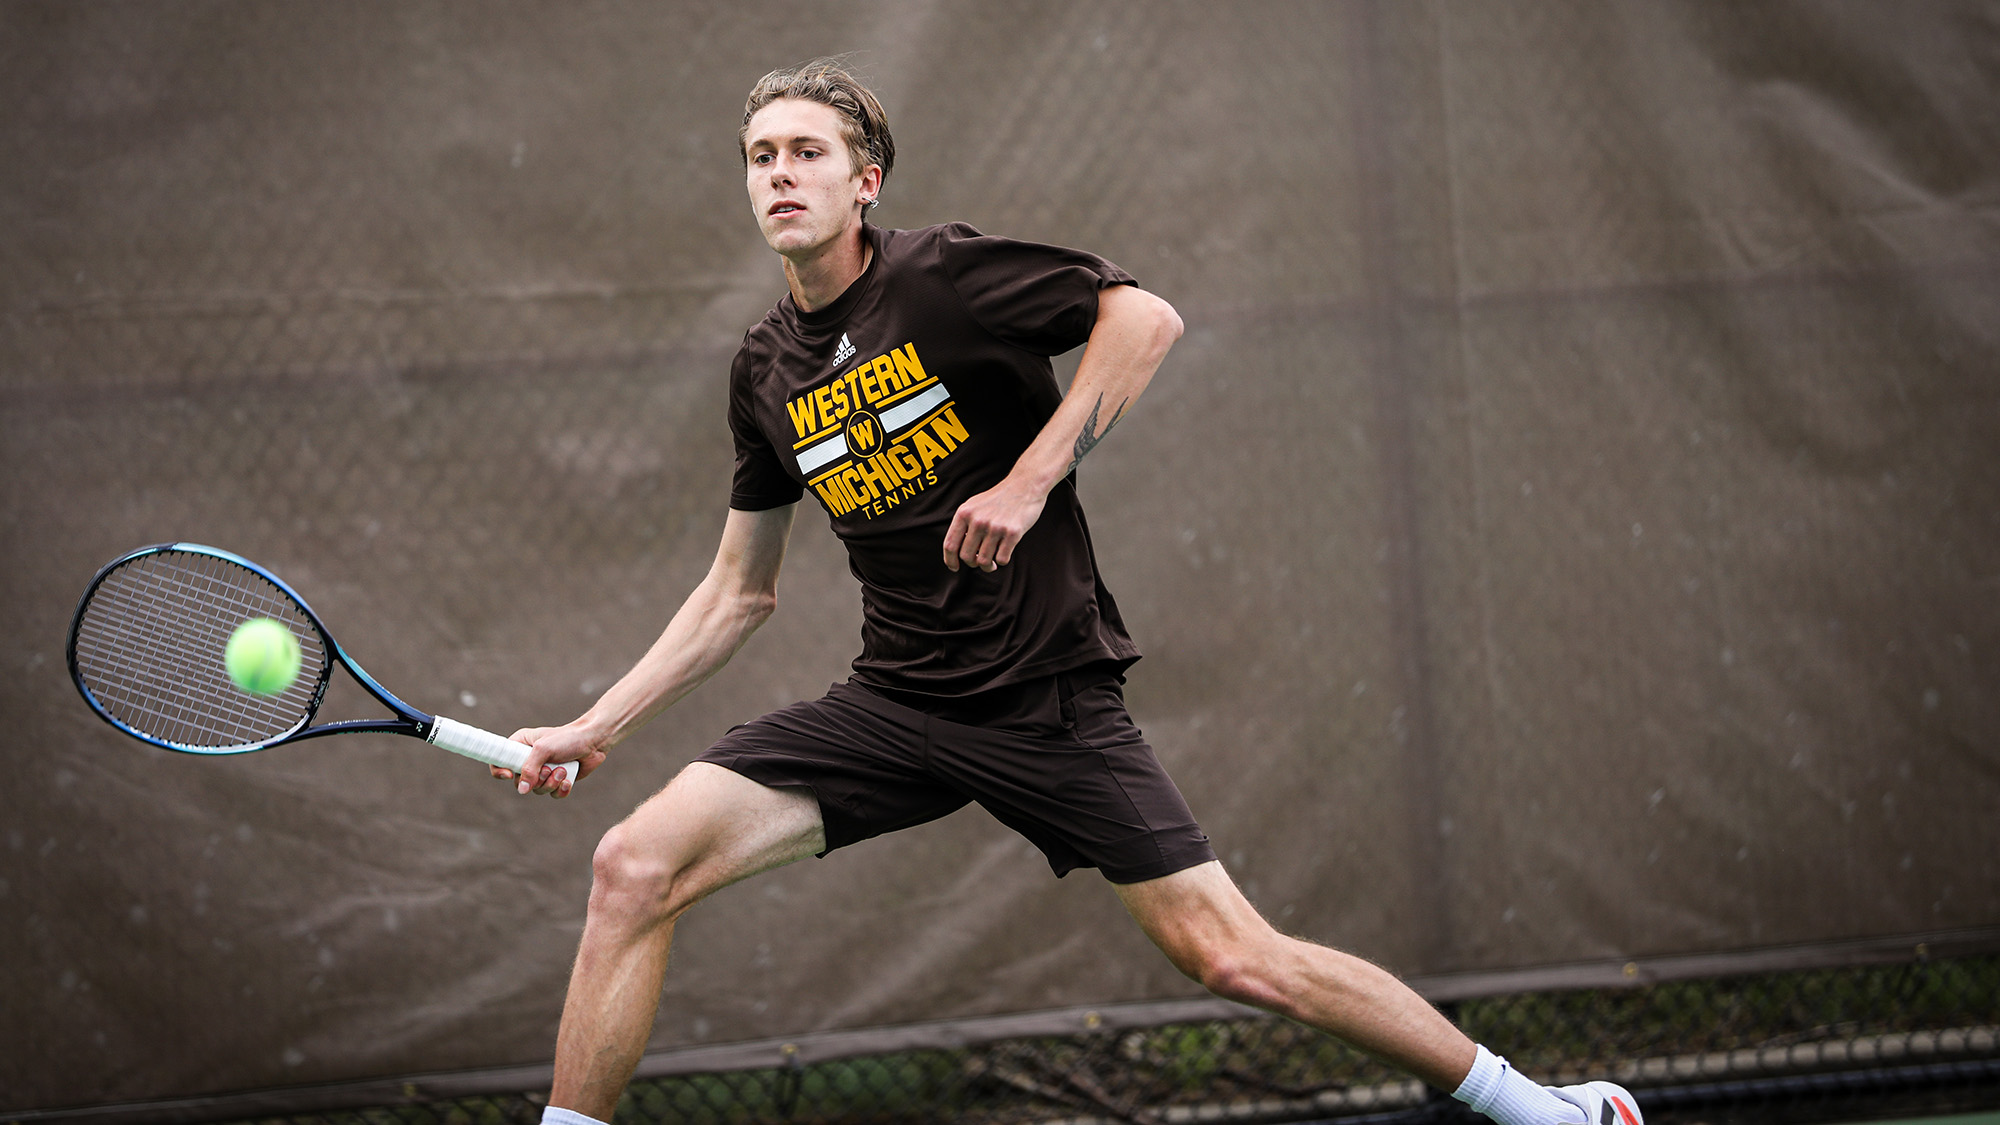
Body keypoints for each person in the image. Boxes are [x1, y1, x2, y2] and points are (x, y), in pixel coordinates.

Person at [500, 58, 1643, 1125]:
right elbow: (737, 593)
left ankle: (1545, 1111)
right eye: (761, 156)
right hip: (893, 705)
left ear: (864, 182)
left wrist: (1028, 480)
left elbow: (1141, 318)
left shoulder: (941, 276)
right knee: (631, 868)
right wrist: (595, 727)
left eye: (807, 152)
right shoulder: (763, 370)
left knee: (1233, 959)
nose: (780, 174)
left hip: (1042, 700)